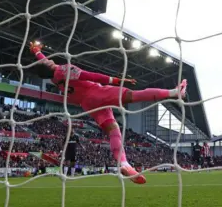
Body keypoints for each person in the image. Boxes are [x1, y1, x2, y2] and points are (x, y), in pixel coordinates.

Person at [28, 41, 186, 184]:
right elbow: (91, 75)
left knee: (113, 130)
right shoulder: (63, 69)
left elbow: (43, 62)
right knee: (134, 95)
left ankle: (124, 164)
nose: (48, 59)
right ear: (49, 66)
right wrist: (115, 80)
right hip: (97, 92)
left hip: (88, 104)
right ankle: (174, 93)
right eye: (47, 61)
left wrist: (36, 51)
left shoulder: (54, 78)